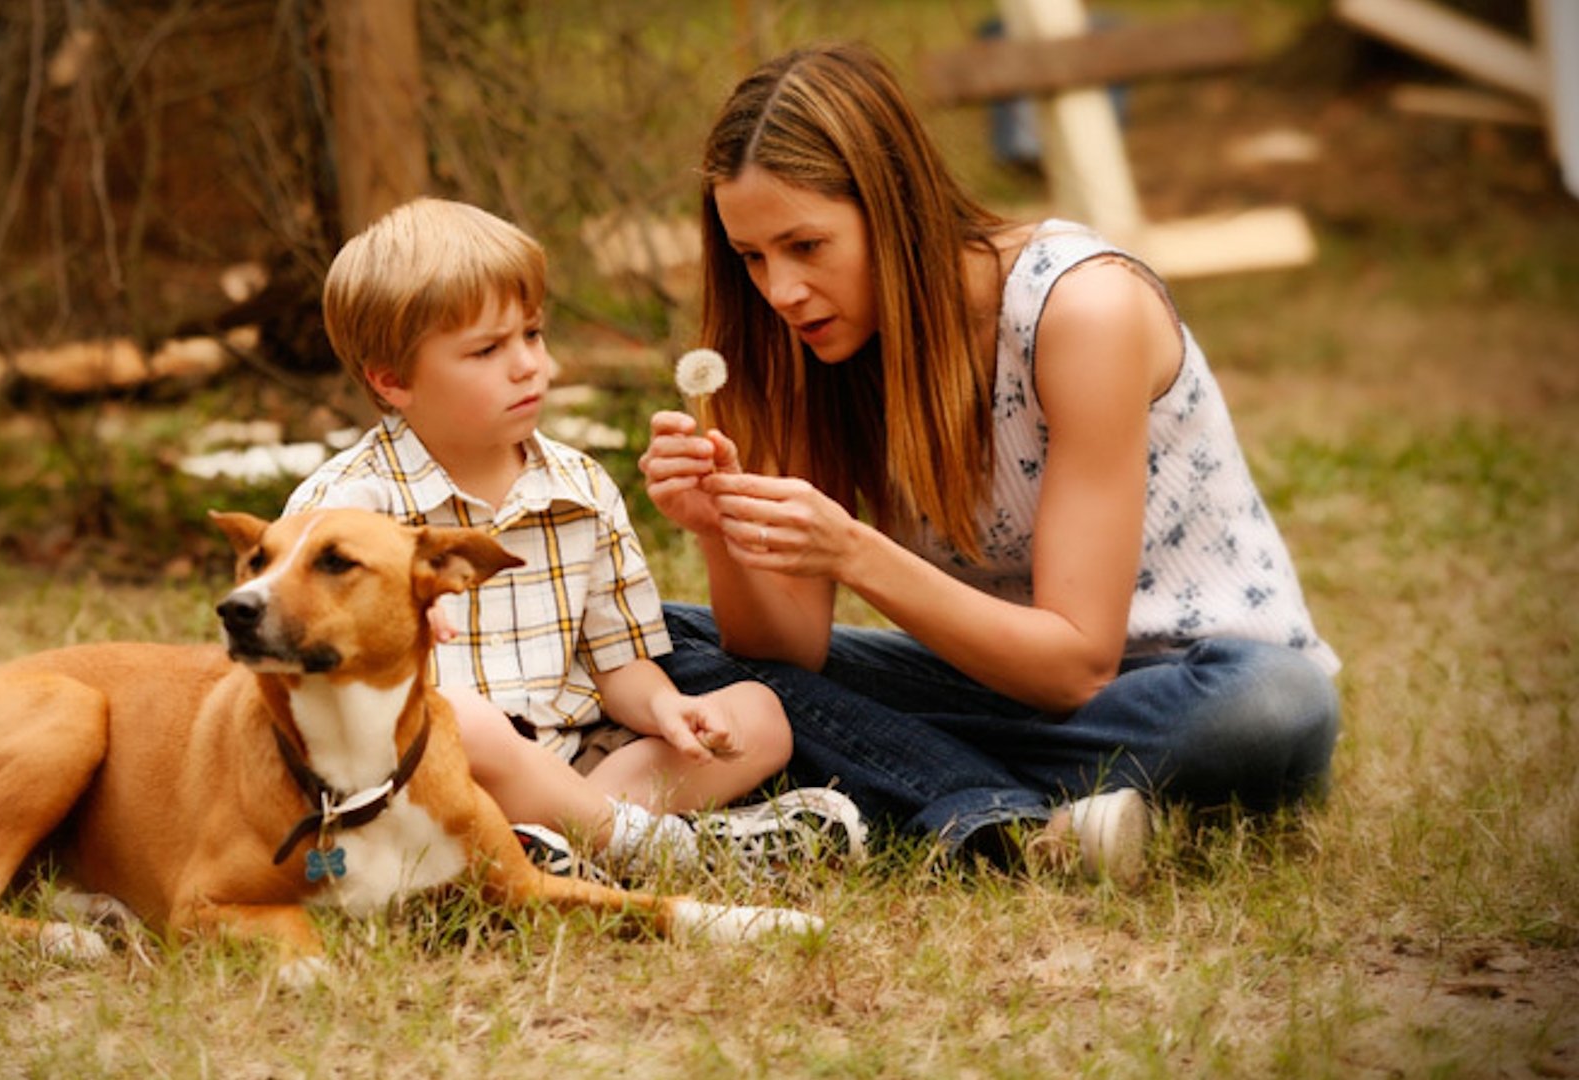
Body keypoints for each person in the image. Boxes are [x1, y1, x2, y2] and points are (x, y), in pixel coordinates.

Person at [639, 43, 1340, 883]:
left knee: (1275, 710)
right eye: (753, 258)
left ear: (894, 208)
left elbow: (1078, 667)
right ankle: (1002, 816)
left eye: (805, 245)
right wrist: (720, 529)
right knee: (661, 640)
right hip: (987, 682)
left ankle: (908, 782)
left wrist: (856, 553)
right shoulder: (805, 346)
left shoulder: (1081, 309)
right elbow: (782, 652)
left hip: (1171, 691)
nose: (780, 290)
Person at [284, 197, 866, 878]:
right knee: (461, 719)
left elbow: (618, 664)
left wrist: (667, 707)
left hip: (573, 761)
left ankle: (548, 849)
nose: (528, 364)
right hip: (423, 776)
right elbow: (310, 689)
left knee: (759, 716)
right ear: (392, 380)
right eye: (487, 349)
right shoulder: (346, 512)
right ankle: (653, 849)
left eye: (531, 334)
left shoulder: (580, 488)